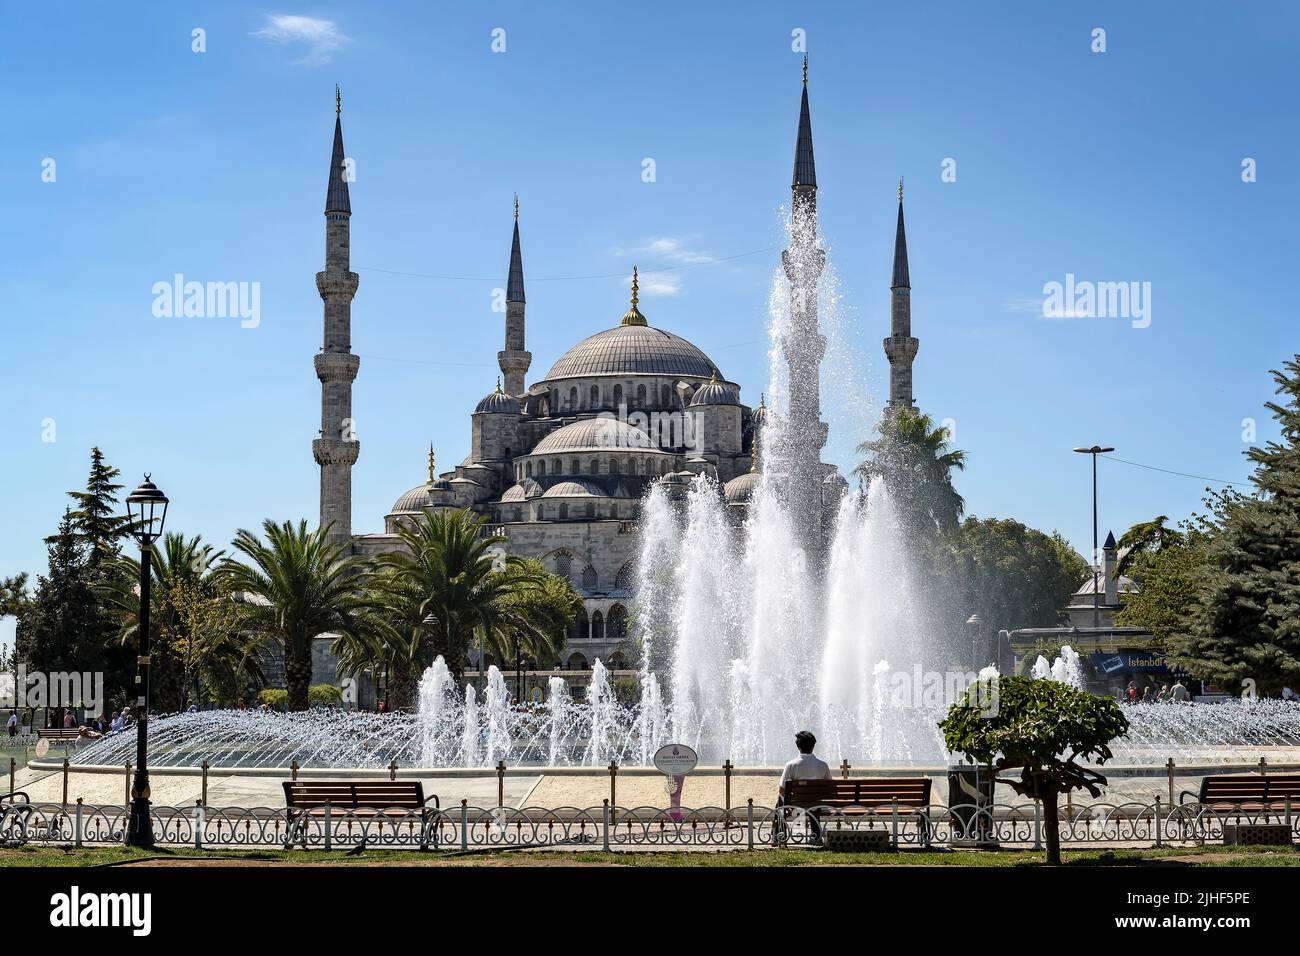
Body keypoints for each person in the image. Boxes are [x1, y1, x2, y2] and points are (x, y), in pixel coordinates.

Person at [777, 730, 832, 842]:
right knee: (814, 802)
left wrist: (790, 801)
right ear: (813, 746)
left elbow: (782, 790)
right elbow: (829, 788)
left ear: (798, 746)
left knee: (779, 802)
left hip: (796, 804)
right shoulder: (823, 765)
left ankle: (779, 835)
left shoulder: (791, 765)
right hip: (816, 804)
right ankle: (816, 835)